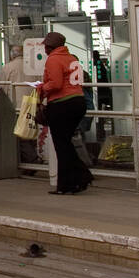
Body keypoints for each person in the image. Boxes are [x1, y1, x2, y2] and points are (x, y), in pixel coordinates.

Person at [38, 31, 93, 194]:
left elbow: (55, 83)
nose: (45, 50)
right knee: (65, 144)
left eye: (46, 46)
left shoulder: (54, 59)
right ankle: (78, 179)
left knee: (61, 146)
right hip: (78, 102)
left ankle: (71, 182)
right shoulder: (71, 58)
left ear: (50, 46)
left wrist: (41, 88)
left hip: (62, 104)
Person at [1, 44, 40, 164]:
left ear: (12, 54)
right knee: (31, 131)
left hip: (16, 105)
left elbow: (2, 88)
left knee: (20, 134)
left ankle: (31, 160)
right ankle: (31, 160)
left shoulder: (7, 67)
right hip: (33, 104)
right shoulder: (34, 67)